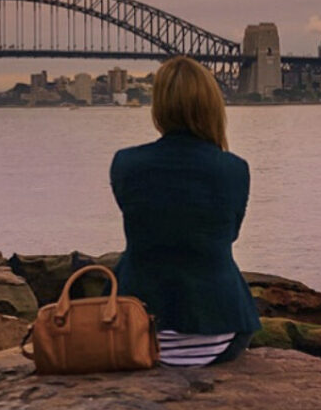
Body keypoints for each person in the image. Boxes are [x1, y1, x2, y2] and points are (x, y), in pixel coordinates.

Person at [109, 56, 260, 367]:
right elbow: (228, 235)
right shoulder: (234, 168)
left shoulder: (125, 163)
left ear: (159, 106)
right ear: (212, 105)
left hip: (138, 331)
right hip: (222, 334)